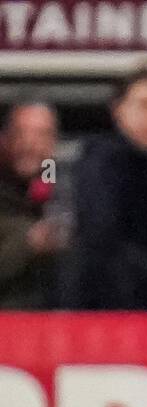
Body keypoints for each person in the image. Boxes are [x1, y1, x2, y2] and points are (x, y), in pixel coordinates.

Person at [64, 63, 147, 310]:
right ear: (118, 109)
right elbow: (102, 246)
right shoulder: (103, 165)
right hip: (118, 321)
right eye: (146, 106)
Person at [0, 101, 64, 308]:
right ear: (5, 138)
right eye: (21, 133)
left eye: (41, 135)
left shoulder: (63, 191)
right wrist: (28, 243)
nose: (30, 144)